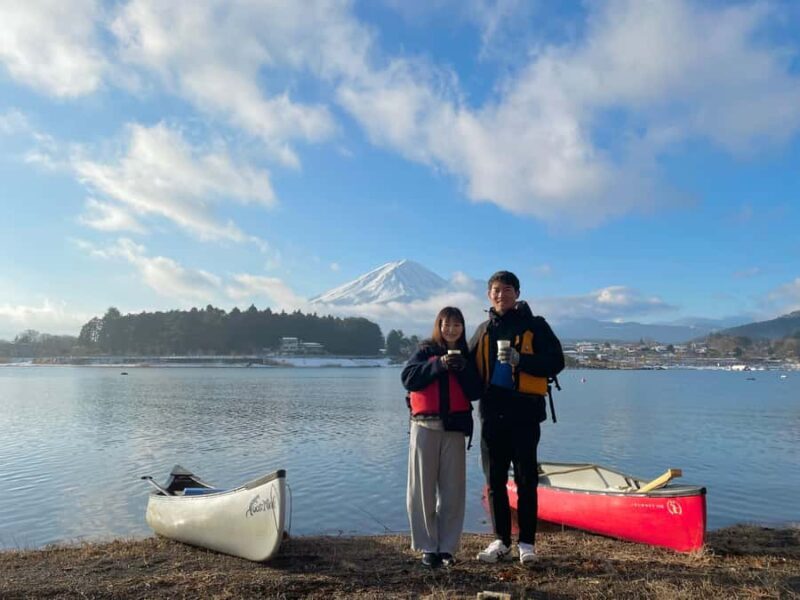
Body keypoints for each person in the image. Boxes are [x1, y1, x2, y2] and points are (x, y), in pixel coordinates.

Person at [470, 271, 564, 564]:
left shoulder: (536, 325)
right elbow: (468, 369)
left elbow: (557, 361)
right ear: (489, 295)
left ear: (518, 293)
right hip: (491, 414)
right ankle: (501, 540)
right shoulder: (483, 330)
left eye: (507, 289)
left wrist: (521, 360)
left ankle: (527, 544)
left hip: (525, 413)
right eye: (496, 290)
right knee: (495, 480)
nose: (501, 295)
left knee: (526, 480)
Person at [401, 307, 482, 568]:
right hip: (424, 427)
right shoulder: (425, 351)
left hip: (454, 430)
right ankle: (428, 546)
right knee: (421, 491)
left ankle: (447, 547)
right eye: (447, 324)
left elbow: (476, 391)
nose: (451, 329)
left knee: (452, 491)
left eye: (457, 325)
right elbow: (408, 379)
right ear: (439, 325)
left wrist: (462, 369)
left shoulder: (467, 355)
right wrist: (439, 364)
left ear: (463, 328)